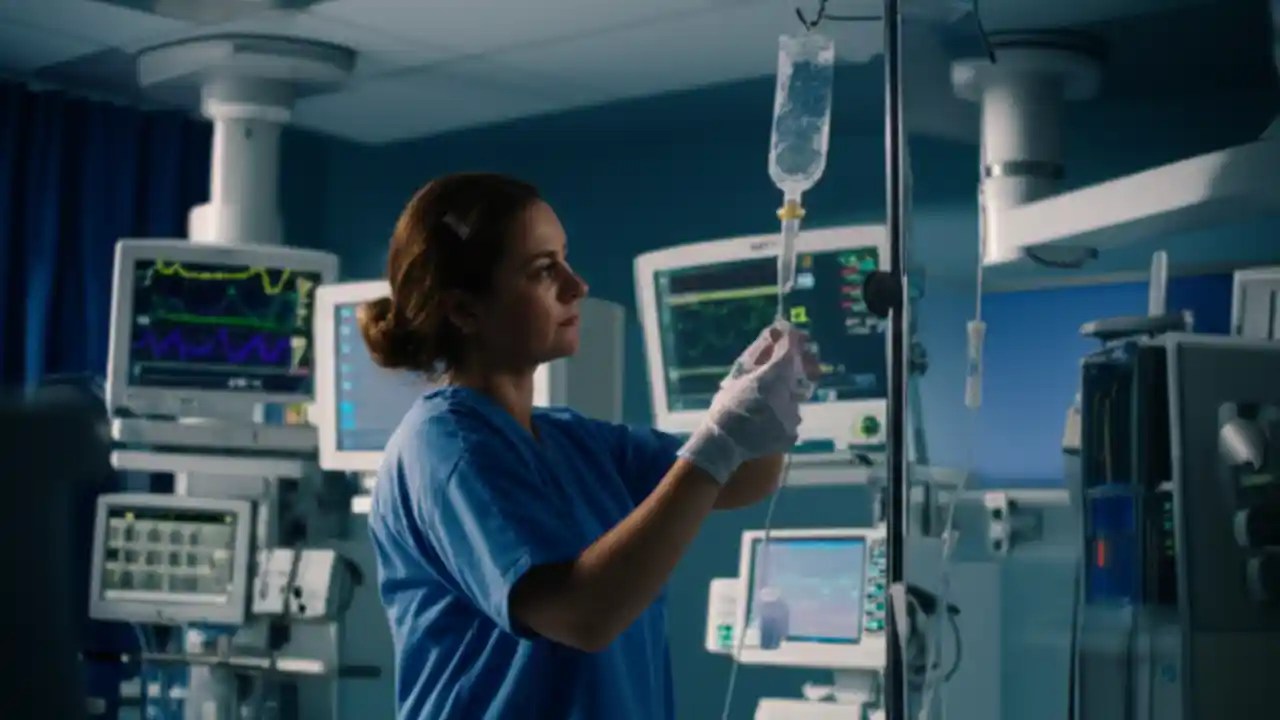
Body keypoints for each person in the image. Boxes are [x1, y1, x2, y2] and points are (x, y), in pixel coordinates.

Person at [361, 172, 820, 720]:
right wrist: (722, 436)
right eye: (542, 271)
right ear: (464, 310)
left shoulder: (573, 440)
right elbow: (582, 615)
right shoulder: (445, 448)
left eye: (566, 259)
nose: (576, 286)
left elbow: (744, 479)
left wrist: (763, 404)